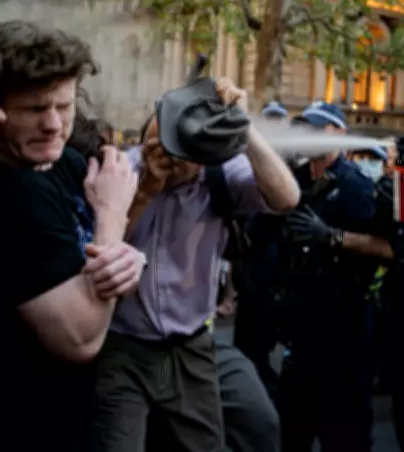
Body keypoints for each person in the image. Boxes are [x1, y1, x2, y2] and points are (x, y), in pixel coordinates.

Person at [91, 77, 299, 452]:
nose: (171, 159)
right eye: (159, 145)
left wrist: (241, 124)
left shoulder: (217, 174)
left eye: (182, 151)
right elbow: (102, 246)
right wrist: (145, 193)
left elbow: (286, 197)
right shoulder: (124, 169)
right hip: (122, 346)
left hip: (192, 346)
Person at [0, 21, 144, 452]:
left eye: (64, 106)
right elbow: (79, 339)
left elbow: (102, 255)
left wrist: (130, 258)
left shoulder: (65, 165)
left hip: (69, 417)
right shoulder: (10, 194)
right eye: (34, 109)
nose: (53, 124)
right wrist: (112, 218)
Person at [272, 101, 390, 452]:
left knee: (346, 436)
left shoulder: (358, 186)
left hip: (346, 335)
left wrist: (332, 237)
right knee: (292, 433)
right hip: (302, 332)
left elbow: (386, 248)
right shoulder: (295, 180)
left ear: (339, 133)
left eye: (319, 127)